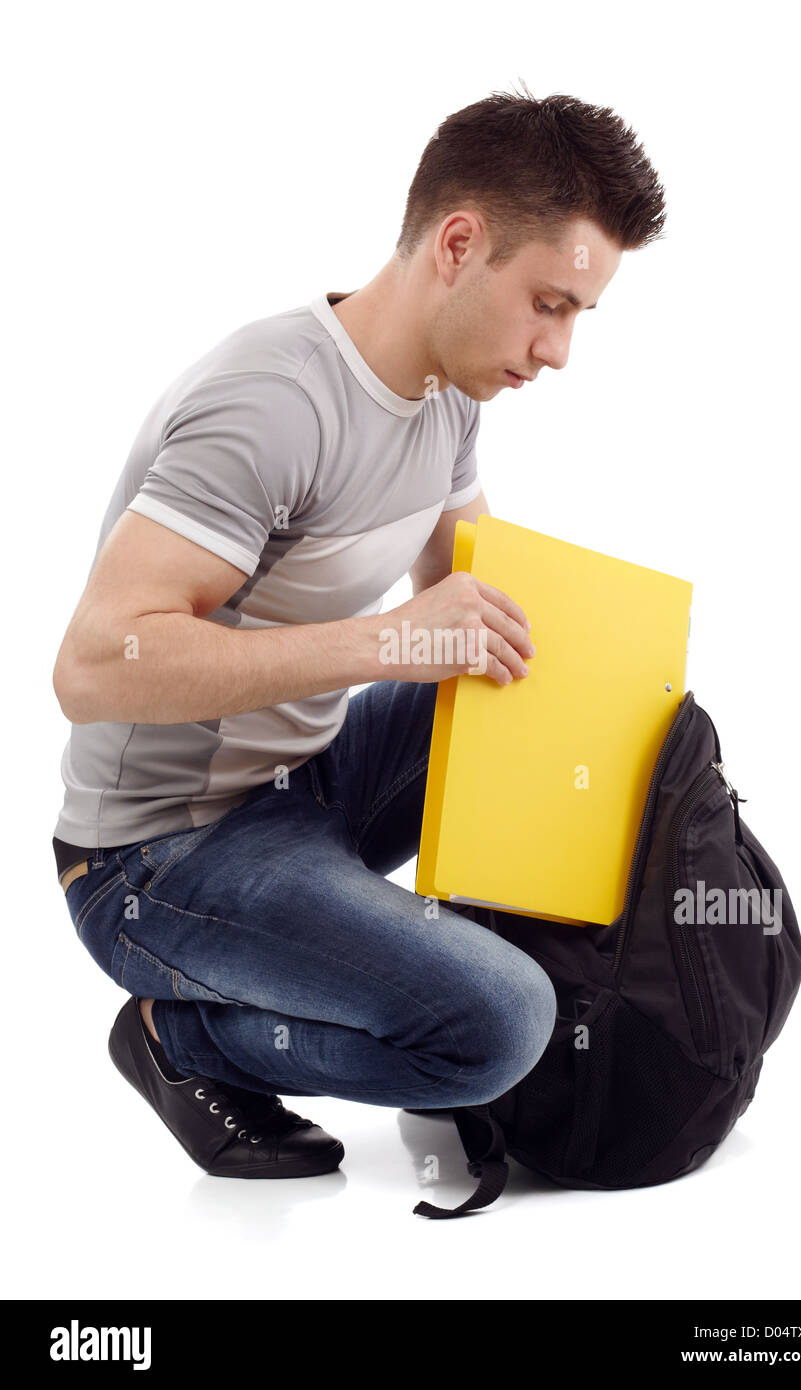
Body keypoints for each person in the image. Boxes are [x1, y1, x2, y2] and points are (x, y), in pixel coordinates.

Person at [51, 85, 665, 1181]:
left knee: (554, 691)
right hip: (158, 854)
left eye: (577, 314)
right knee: (500, 1026)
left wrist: (620, 703)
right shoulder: (271, 405)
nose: (559, 349)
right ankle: (177, 1038)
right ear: (458, 245)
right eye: (548, 303)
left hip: (311, 781)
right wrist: (386, 640)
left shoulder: (450, 392)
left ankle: (391, 944)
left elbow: (475, 606)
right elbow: (93, 665)